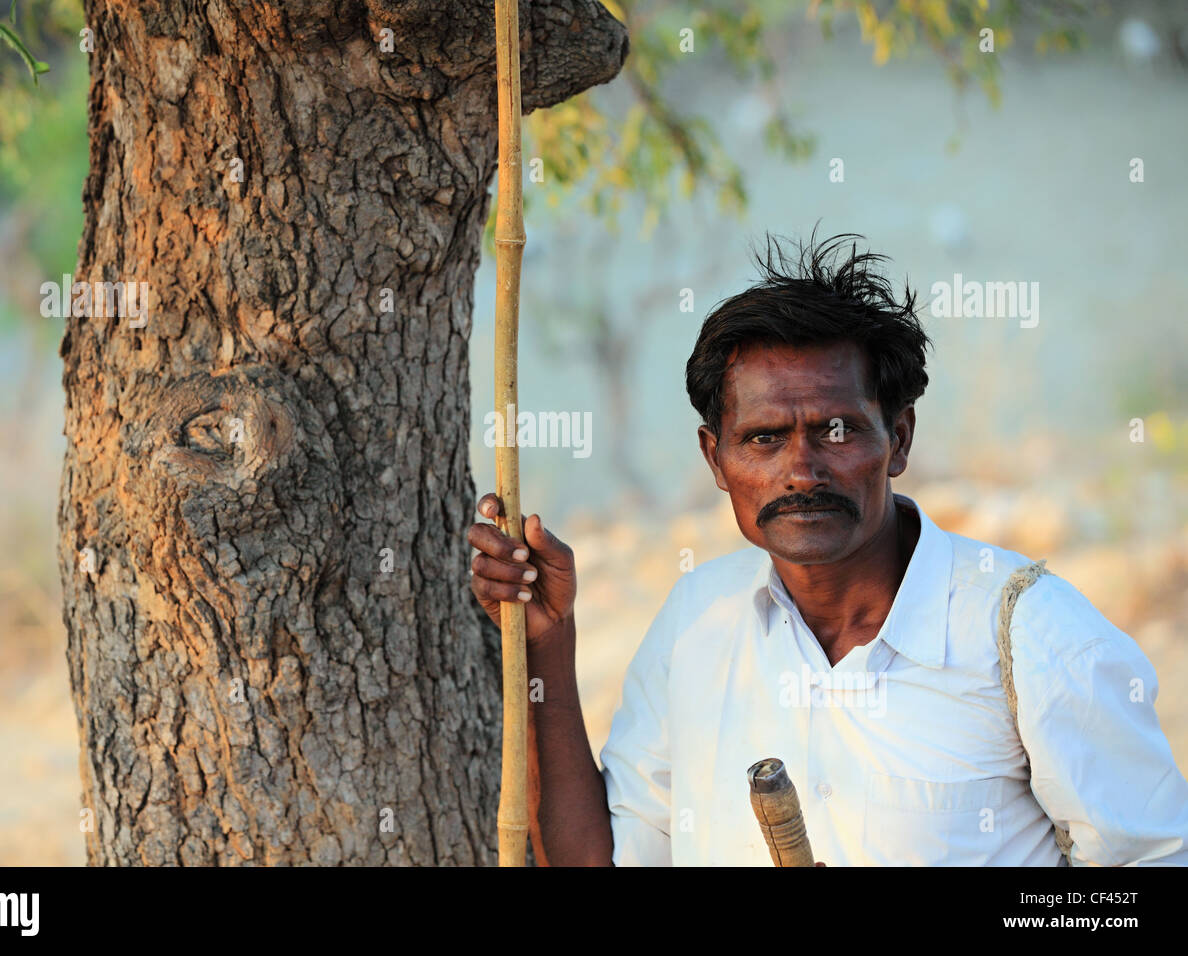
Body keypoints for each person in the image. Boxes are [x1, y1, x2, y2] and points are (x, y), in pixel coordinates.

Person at [467, 231, 1188, 866]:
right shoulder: (697, 620)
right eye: (764, 439)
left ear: (898, 439)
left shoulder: (1028, 635)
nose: (802, 471)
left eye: (837, 431)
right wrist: (547, 645)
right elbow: (603, 862)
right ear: (716, 461)